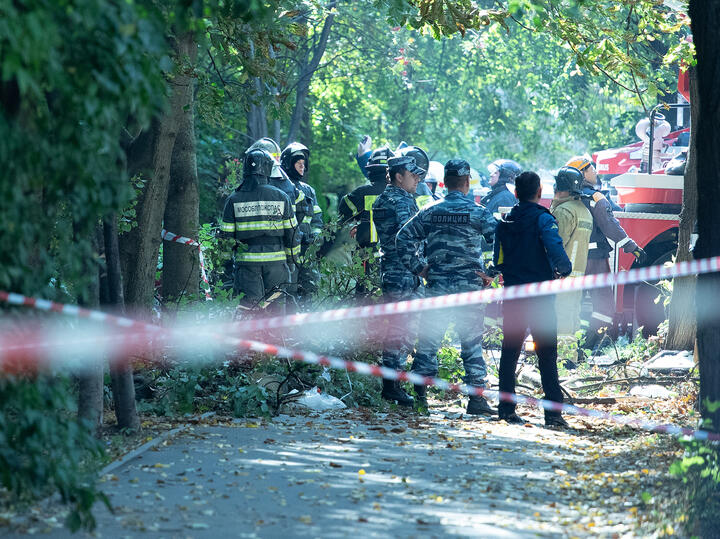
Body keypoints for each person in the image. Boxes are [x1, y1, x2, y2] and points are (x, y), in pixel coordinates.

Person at [397, 159, 497, 415]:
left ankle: (420, 397)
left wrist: (419, 268)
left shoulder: (430, 210)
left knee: (429, 340)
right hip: (469, 288)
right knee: (471, 342)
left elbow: (403, 238)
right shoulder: (478, 212)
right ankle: (476, 400)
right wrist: (492, 273)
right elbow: (502, 241)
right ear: (467, 182)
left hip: (438, 286)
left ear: (445, 182)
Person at [493, 171, 572, 427]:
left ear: (516, 193)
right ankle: (553, 415)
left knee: (509, 352)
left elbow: (497, 260)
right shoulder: (543, 219)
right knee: (547, 354)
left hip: (514, 296)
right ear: (539, 192)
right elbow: (556, 250)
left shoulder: (505, 221)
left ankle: (506, 410)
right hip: (540, 298)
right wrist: (564, 269)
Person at [565, 155, 646, 349]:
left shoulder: (565, 198)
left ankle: (572, 345)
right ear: (582, 173)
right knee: (604, 306)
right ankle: (587, 345)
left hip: (572, 260)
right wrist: (632, 247)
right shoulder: (596, 198)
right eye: (591, 168)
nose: (595, 171)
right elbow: (610, 225)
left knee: (574, 303)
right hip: (594, 261)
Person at [372, 155, 426, 406]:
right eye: (412, 175)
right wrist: (420, 268)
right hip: (405, 272)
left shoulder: (383, 199)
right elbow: (409, 238)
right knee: (403, 330)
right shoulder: (401, 201)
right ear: (397, 176)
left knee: (398, 328)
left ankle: (392, 384)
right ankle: (392, 386)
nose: (417, 179)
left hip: (393, 270)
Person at [220, 148, 299, 313]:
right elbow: (292, 234)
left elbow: (226, 238)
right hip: (277, 264)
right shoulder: (282, 197)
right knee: (276, 310)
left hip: (247, 266)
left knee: (250, 310)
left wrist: (226, 265)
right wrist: (292, 261)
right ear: (268, 169)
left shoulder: (234, 199)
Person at [248, 138, 307, 300]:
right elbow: (298, 220)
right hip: (281, 255)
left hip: (255, 256)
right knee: (280, 300)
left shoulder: (255, 184)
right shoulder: (287, 184)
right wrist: (292, 258)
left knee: (257, 302)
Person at [550, 166, 593, 348]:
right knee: (572, 316)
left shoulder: (564, 211)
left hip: (561, 274)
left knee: (559, 318)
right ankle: (571, 355)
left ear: (560, 185)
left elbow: (555, 244)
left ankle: (560, 357)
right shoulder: (583, 211)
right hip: (577, 274)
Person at [281, 142, 323, 297]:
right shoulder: (280, 189)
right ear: (288, 164)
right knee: (287, 290)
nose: (302, 166)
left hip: (306, 250)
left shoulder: (308, 190)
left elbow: (317, 219)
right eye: (298, 163)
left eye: (304, 163)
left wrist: (315, 238)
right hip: (286, 251)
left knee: (309, 289)